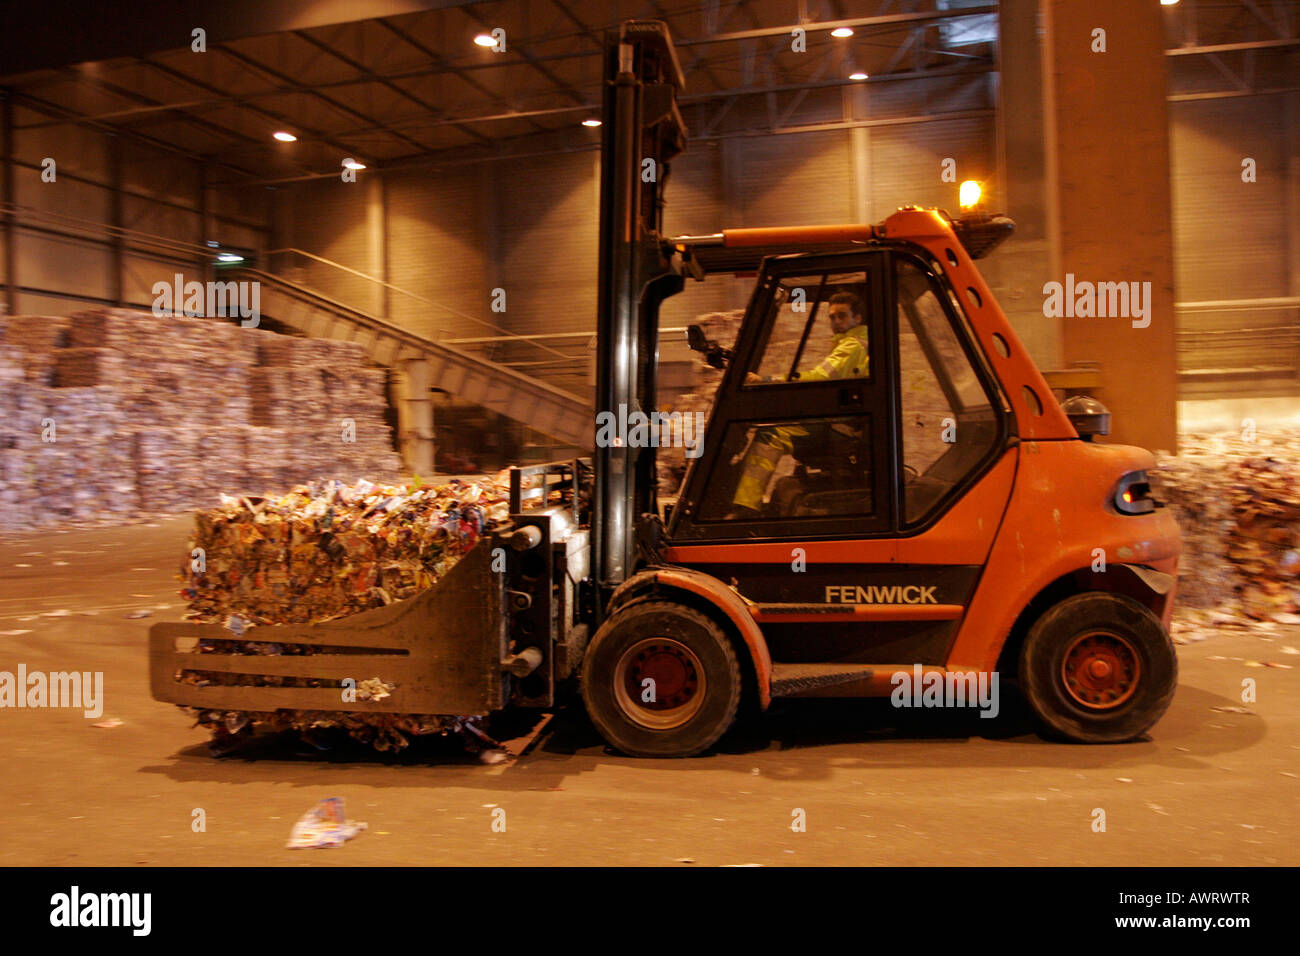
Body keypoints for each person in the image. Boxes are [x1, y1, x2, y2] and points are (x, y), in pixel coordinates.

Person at [729, 292, 869, 517]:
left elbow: (818, 378)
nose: (836, 323)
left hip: (839, 431)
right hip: (840, 424)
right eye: (832, 317)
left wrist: (768, 380)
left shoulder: (853, 346)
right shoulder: (854, 345)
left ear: (858, 318)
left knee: (770, 436)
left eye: (842, 316)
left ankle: (745, 509)